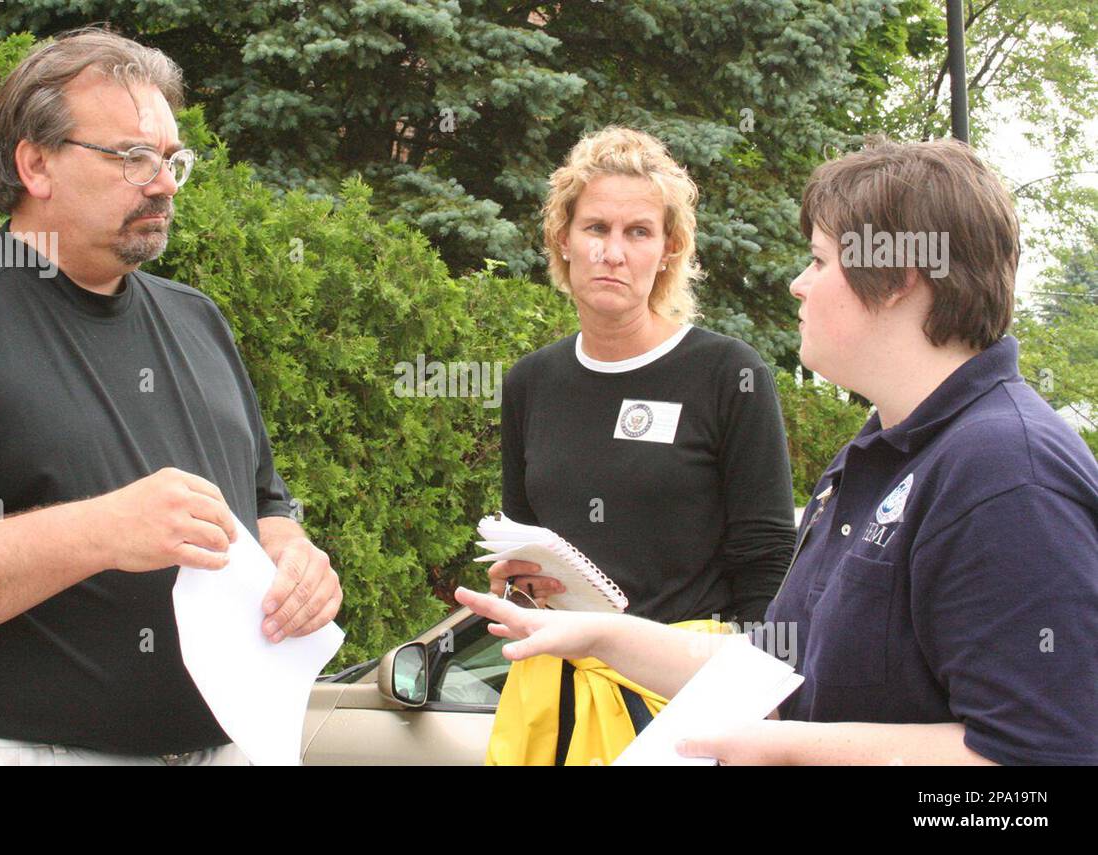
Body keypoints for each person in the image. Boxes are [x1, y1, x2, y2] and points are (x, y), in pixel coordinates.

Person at [458, 137, 1098, 765]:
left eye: (819, 261)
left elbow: (1039, 768)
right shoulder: (881, 454)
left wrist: (785, 751)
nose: (798, 284)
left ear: (897, 279)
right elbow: (777, 668)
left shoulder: (1010, 475)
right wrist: (601, 634)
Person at [0, 28, 341, 765]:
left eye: (170, 160)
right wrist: (100, 531)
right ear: (35, 163)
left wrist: (295, 557)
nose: (161, 182)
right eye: (131, 156)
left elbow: (264, 503)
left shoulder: (198, 320)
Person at [489, 126, 796, 627]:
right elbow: (522, 551)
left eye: (638, 232)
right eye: (595, 228)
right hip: (556, 679)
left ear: (669, 249)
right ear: (562, 239)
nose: (613, 253)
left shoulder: (728, 373)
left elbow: (767, 558)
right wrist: (517, 587)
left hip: (680, 686)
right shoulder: (530, 382)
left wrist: (754, 681)